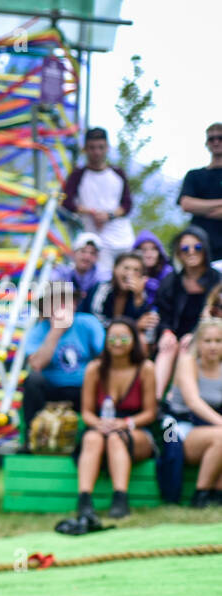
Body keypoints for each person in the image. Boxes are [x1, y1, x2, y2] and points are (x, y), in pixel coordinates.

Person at [73, 317, 156, 520]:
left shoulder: (146, 368)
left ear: (134, 341)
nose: (118, 343)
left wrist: (126, 423)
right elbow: (87, 412)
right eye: (113, 338)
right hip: (100, 427)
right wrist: (99, 424)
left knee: (116, 438)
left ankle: (120, 497)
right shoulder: (95, 368)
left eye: (124, 338)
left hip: (135, 429)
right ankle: (84, 499)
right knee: (92, 438)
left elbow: (151, 413)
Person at [20, 281, 106, 452]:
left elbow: (105, 357)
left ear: (75, 304)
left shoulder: (88, 323)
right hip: (52, 390)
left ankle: (94, 439)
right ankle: (32, 438)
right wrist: (56, 331)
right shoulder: (38, 330)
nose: (62, 307)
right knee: (32, 380)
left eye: (66, 301)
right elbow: (36, 364)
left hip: (84, 389)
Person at [162, 311, 222, 507]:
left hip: (209, 428)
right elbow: (194, 402)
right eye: (208, 341)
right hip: (177, 428)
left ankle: (217, 494)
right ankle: (201, 495)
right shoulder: (187, 362)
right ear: (198, 343)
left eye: (218, 341)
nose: (213, 346)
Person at [153, 227, 221, 397]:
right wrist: (166, 332)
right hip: (175, 336)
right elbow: (164, 316)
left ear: (205, 249)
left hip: (204, 334)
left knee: (187, 347)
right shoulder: (170, 282)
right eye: (185, 249)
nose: (191, 252)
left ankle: (174, 399)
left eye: (197, 247)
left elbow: (216, 315)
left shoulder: (217, 280)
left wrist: (195, 335)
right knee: (168, 346)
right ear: (178, 253)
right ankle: (155, 399)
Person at [62, 127, 134, 274]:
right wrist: (91, 212)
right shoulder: (78, 175)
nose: (96, 152)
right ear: (85, 149)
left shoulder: (117, 173)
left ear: (107, 148)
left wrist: (108, 215)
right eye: (92, 148)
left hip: (124, 238)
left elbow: (127, 205)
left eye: (101, 147)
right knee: (103, 281)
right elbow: (66, 203)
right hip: (97, 242)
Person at [177, 123, 222, 264]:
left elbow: (193, 204)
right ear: (206, 143)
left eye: (220, 138)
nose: (216, 142)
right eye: (212, 139)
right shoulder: (194, 175)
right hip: (199, 248)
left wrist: (201, 208)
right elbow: (186, 204)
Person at [85, 252, 156, 336]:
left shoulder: (141, 294)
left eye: (136, 270)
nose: (130, 273)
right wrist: (133, 326)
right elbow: (96, 318)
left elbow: (146, 320)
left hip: (125, 338)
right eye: (126, 268)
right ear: (115, 269)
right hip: (97, 334)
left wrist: (138, 298)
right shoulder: (102, 288)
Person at [54, 232, 106, 305]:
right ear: (74, 253)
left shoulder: (103, 277)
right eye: (83, 251)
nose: (87, 257)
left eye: (92, 253)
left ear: (97, 257)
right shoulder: (62, 272)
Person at [134, 229, 173, 311]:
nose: (149, 254)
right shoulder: (132, 275)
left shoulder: (169, 273)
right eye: (143, 250)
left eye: (153, 249)